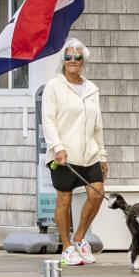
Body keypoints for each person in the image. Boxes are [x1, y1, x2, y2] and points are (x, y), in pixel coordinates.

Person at [42, 35, 108, 265]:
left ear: (83, 61)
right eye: (68, 57)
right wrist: (57, 147)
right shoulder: (54, 87)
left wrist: (102, 154)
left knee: (97, 193)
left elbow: (97, 125)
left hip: (89, 152)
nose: (73, 61)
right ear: (63, 60)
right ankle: (66, 246)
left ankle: (79, 237)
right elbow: (48, 121)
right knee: (64, 200)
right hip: (64, 155)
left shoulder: (92, 89)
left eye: (77, 57)